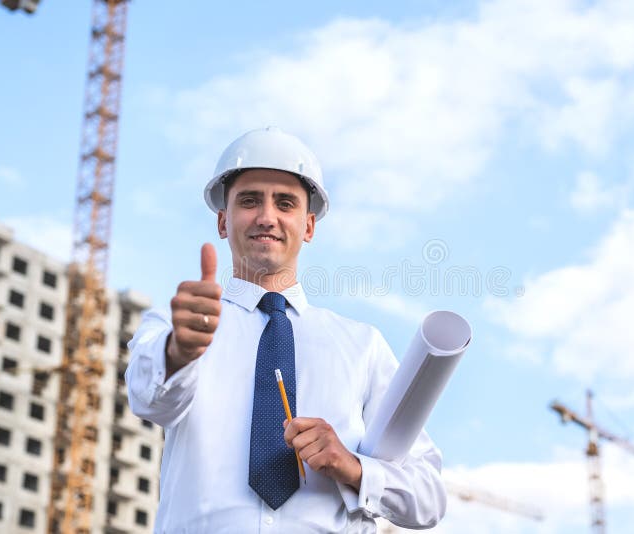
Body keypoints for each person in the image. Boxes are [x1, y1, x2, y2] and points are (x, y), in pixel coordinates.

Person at [126, 126, 446, 533]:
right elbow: (150, 401)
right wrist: (179, 353)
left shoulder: (363, 347)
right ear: (223, 221)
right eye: (249, 201)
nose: (266, 217)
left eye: (285, 203)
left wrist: (353, 468)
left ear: (308, 226)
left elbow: (428, 497)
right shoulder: (178, 326)